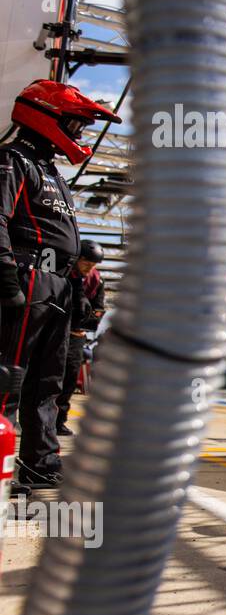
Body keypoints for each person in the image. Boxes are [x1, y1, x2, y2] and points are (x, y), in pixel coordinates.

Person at [0, 79, 120, 491]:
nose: (80, 134)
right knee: (8, 378)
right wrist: (6, 280)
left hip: (57, 287)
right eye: (75, 124)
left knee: (48, 382)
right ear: (49, 118)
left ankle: (40, 463)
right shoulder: (12, 159)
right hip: (25, 278)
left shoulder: (51, 171)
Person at [55, 238, 107, 435]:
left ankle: (59, 421)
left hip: (77, 336)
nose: (89, 268)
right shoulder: (64, 274)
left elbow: (99, 309)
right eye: (86, 263)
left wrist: (91, 316)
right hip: (58, 333)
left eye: (93, 265)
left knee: (69, 380)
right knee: (51, 378)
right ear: (77, 259)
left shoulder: (96, 281)